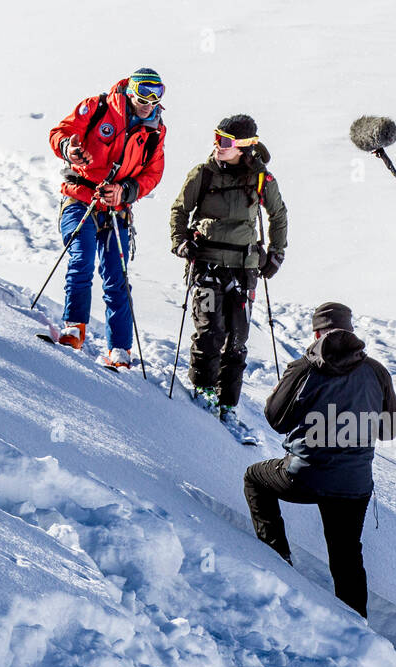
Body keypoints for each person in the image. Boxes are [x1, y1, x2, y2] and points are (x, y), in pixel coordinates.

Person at [244, 302, 396, 618]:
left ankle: (278, 562)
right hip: (354, 484)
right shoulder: (376, 371)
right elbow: (391, 429)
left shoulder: (302, 368)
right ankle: (357, 626)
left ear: (316, 332)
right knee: (346, 557)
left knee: (254, 478)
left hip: (304, 476)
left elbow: (276, 420)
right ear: (351, 330)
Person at [169, 114, 288, 423]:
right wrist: (181, 241)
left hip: (244, 267)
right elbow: (180, 210)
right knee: (210, 330)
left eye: (225, 141)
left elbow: (278, 214)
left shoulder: (262, 178)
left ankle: (228, 401)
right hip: (207, 262)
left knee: (237, 337)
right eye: (217, 138)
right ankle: (204, 388)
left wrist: (276, 253)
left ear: (245, 147)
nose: (217, 145)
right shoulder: (203, 174)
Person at [48, 68, 167, 369]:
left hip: (116, 209)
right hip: (81, 196)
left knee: (117, 277)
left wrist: (126, 191)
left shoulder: (155, 131)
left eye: (157, 95)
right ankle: (74, 328)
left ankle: (120, 351)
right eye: (144, 94)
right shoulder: (99, 107)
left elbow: (153, 173)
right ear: (131, 91)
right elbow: (60, 132)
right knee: (82, 257)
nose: (149, 102)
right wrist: (70, 149)